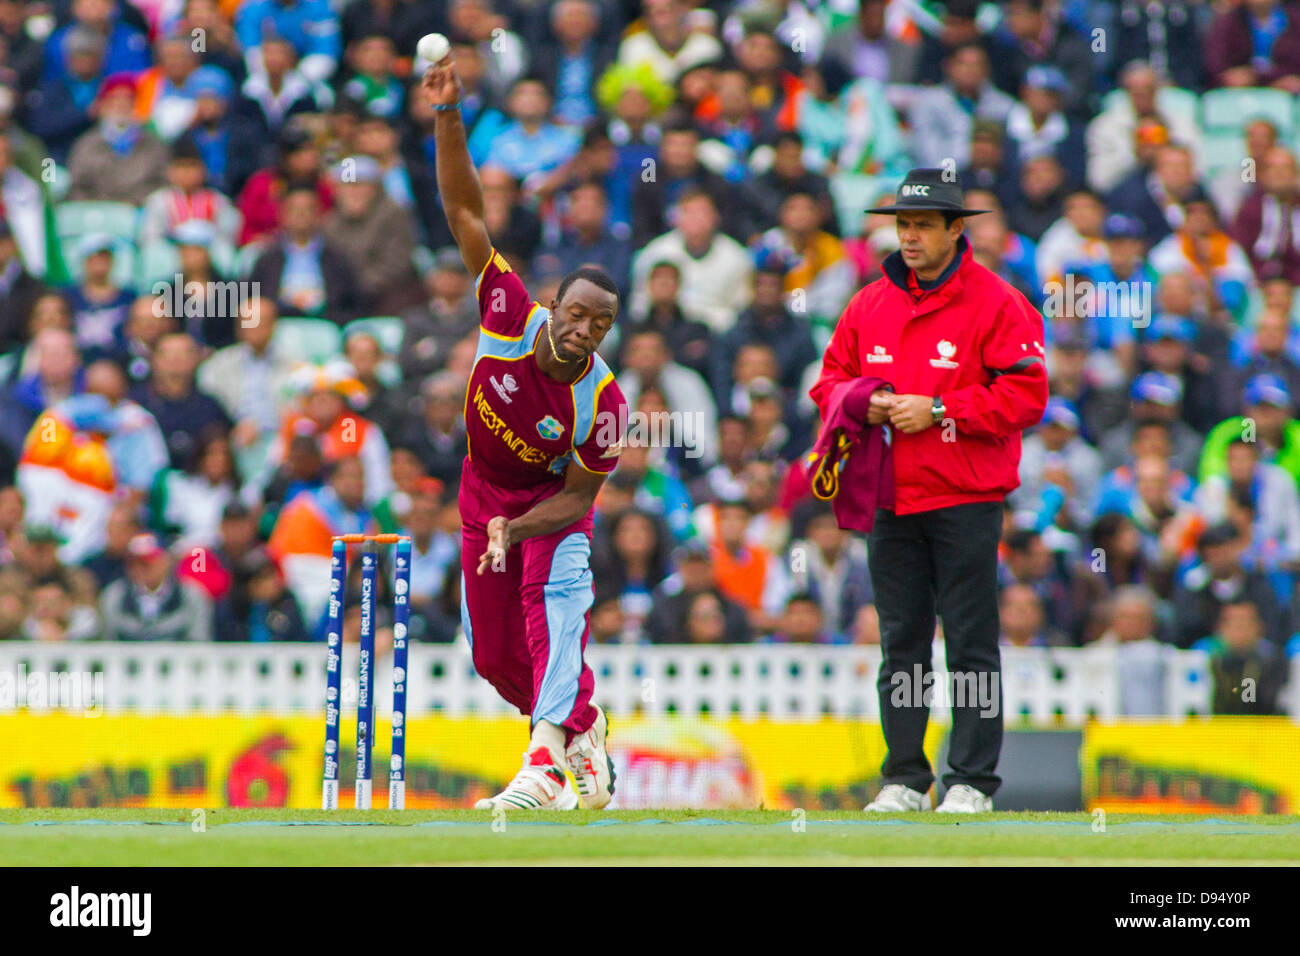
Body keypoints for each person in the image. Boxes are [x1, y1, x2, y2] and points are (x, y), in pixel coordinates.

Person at [425, 53, 628, 811]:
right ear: (556, 305)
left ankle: (543, 766)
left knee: (552, 602)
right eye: (576, 314)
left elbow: (579, 498)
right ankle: (584, 724)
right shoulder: (509, 313)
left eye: (600, 324)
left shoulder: (603, 405)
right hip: (482, 493)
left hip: (546, 508)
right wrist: (448, 114)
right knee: (494, 656)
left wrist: (522, 524)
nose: (583, 331)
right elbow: (465, 214)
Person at [810, 168, 1049, 813]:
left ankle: (972, 781)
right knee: (903, 643)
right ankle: (905, 779)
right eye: (902, 225)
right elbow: (828, 382)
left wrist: (941, 410)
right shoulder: (868, 303)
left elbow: (1027, 395)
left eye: (922, 225)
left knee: (971, 641)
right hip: (892, 497)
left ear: (954, 229)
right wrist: (867, 401)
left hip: (966, 497)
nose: (909, 237)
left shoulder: (999, 302)